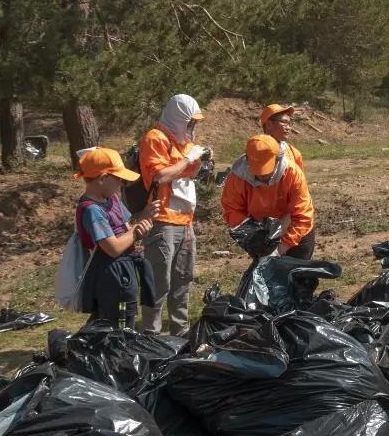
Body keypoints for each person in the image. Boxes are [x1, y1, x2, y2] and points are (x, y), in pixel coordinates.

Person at [138, 94, 207, 335]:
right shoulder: (155, 138)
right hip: (162, 221)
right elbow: (160, 176)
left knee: (183, 279)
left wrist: (200, 161)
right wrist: (189, 158)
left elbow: (188, 175)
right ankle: (151, 335)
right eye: (191, 121)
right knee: (159, 282)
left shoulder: (183, 141)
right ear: (179, 117)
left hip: (185, 220)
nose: (193, 127)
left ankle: (181, 333)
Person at [74, 148, 159, 329]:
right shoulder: (92, 210)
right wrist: (135, 232)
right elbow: (113, 248)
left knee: (120, 319)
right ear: (103, 178)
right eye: (118, 178)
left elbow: (127, 229)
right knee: (116, 325)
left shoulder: (112, 198)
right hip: (109, 275)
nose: (121, 184)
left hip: (124, 271)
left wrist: (141, 224)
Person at [221, 133, 316, 259]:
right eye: (257, 171)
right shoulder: (237, 178)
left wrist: (279, 251)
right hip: (261, 230)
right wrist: (255, 237)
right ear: (247, 161)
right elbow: (232, 210)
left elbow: (302, 216)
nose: (262, 176)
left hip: (293, 227)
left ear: (278, 159)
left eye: (266, 170)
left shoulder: (292, 173)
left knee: (298, 274)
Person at [260, 103, 304, 169]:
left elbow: (300, 178)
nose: (288, 128)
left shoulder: (294, 154)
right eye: (284, 122)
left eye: (289, 123)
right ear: (269, 124)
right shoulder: (254, 153)